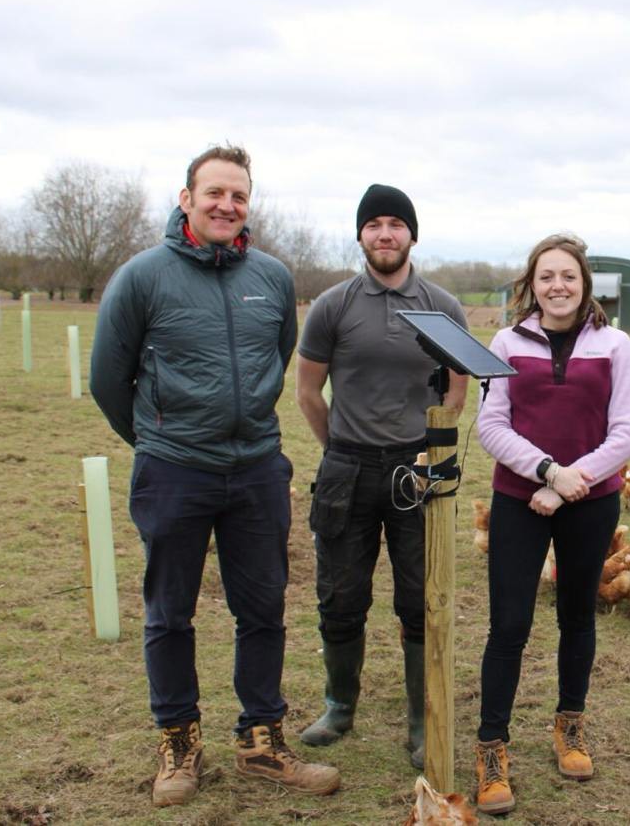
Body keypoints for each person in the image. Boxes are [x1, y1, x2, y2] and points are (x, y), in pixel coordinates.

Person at [90, 145, 339, 806]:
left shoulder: (274, 279)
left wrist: (244, 437)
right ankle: (179, 741)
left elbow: (277, 356)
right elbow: (107, 379)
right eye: (215, 193)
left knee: (262, 608)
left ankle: (262, 739)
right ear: (186, 199)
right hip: (174, 471)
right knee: (169, 613)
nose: (227, 204)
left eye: (239, 196)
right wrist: (159, 439)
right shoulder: (142, 277)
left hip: (256, 469)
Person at [294, 184, 468, 768]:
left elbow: (459, 383)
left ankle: (422, 720)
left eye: (396, 224)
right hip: (347, 469)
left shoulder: (442, 306)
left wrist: (430, 449)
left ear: (412, 235)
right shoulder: (333, 306)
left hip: (418, 471)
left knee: (420, 600)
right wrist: (340, 449)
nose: (385, 234)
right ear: (361, 235)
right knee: (340, 598)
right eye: (375, 225)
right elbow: (308, 392)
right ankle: (339, 704)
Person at [472, 233, 630, 814]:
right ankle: (492, 750)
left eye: (568, 276)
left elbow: (627, 432)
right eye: (546, 276)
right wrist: (546, 473)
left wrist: (573, 482)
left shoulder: (616, 344)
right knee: (509, 625)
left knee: (577, 615)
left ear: (584, 282)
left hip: (591, 501)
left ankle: (570, 724)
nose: (558, 286)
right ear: (532, 283)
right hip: (520, 499)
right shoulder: (504, 341)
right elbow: (491, 425)